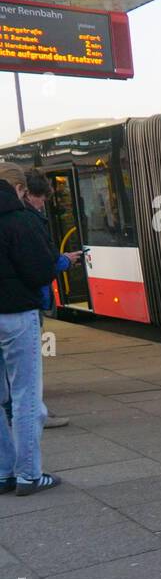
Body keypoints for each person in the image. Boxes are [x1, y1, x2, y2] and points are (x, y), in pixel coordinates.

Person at [0, 162, 61, 495]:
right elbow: (41, 270)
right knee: (24, 396)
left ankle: (3, 474)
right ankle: (28, 475)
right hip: (16, 314)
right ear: (19, 189)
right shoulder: (21, 221)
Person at [21, 169, 80, 429]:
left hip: (26, 304)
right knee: (28, 368)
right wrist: (65, 260)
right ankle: (37, 414)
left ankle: (37, 411)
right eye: (41, 198)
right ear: (26, 194)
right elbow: (40, 265)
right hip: (26, 305)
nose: (43, 203)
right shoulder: (27, 222)